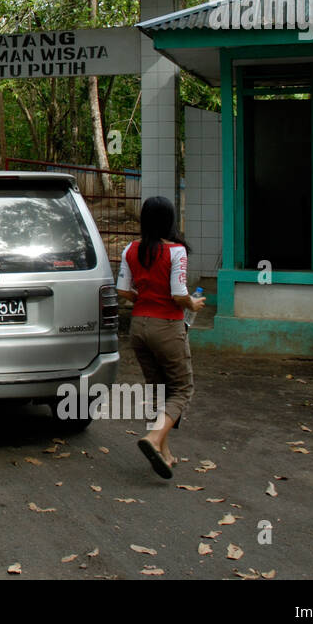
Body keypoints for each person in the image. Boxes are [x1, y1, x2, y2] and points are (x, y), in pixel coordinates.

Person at [115, 195, 205, 479]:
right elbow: (178, 294)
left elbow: (122, 291)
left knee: (157, 389)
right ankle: (154, 439)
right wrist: (193, 303)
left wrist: (143, 296)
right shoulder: (176, 251)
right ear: (170, 220)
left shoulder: (130, 249)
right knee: (181, 389)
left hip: (138, 327)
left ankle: (164, 454)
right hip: (166, 326)